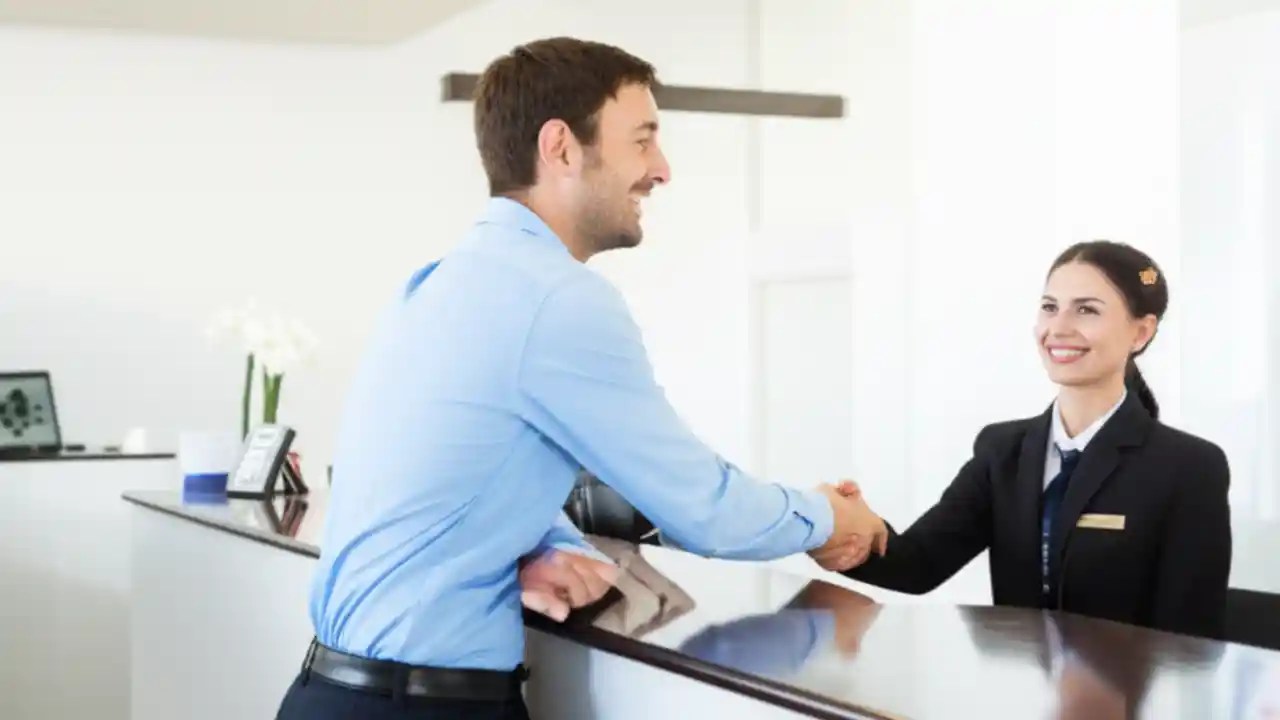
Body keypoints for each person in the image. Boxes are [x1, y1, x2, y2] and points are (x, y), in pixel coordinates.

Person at [275, 37, 885, 720]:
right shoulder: (556, 298)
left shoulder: (436, 285)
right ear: (561, 147)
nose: (661, 169)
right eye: (643, 140)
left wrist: (544, 542)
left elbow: (451, 480)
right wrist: (829, 516)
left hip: (327, 696)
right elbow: (704, 508)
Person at [815, 240, 1232, 640]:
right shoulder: (1002, 451)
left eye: (1086, 310)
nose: (1058, 328)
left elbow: (1189, 641)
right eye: (1050, 307)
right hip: (1022, 686)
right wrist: (838, 527)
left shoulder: (1189, 467)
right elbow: (918, 564)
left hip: (1128, 690)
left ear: (1140, 332)